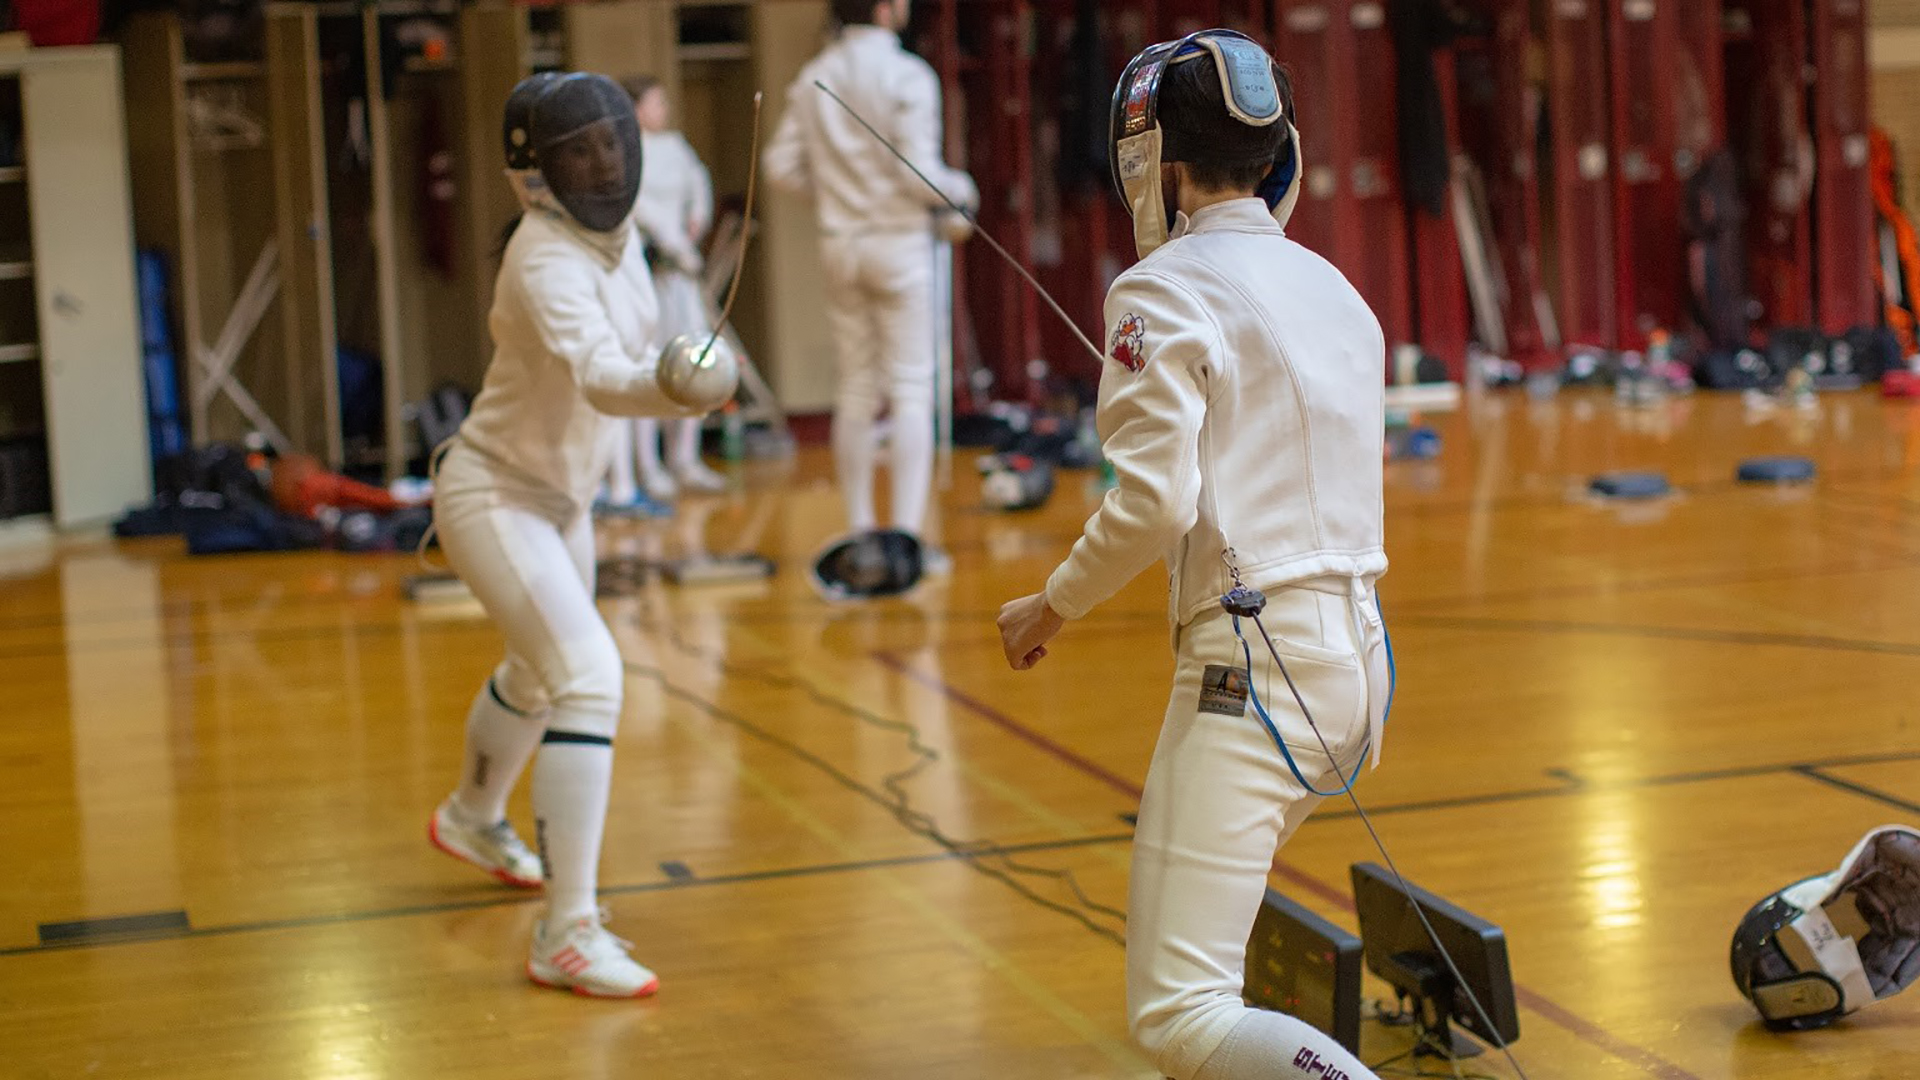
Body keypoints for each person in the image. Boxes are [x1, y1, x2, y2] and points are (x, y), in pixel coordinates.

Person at [996, 32, 1392, 1080]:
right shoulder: (1338, 290)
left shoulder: (1158, 290)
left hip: (1255, 679)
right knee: (1208, 958)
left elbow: (1155, 505)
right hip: (1360, 676)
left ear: (1155, 157)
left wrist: (1050, 604)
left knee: (1181, 1014)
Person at [426, 71, 689, 999]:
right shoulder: (543, 257)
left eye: (610, 142)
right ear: (535, 173)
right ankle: (566, 933)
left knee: (541, 677)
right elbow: (607, 379)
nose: (604, 160)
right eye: (580, 150)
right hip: (493, 495)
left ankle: (470, 815)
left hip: (559, 504)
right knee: (589, 678)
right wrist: (677, 382)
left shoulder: (615, 244)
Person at [763, 0, 976, 560]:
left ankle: (861, 532)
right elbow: (919, 174)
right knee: (909, 390)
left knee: (856, 388)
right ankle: (905, 540)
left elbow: (781, 166)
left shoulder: (814, 75)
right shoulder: (907, 73)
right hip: (899, 246)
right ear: (885, 7)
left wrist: (836, 196)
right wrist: (962, 190)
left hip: (842, 248)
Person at [602, 75, 730, 510]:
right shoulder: (623, 150)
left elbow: (699, 183)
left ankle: (685, 458)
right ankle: (647, 467)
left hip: (682, 274)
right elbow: (637, 205)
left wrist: (696, 217)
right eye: (655, 103)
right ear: (636, 108)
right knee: (648, 366)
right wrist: (669, 237)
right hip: (646, 273)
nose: (663, 110)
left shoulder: (676, 146)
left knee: (695, 360)